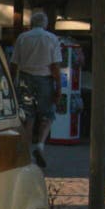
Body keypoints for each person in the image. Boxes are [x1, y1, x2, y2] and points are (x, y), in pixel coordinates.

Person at [10, 11, 62, 168]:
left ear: (31, 23)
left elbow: (14, 63)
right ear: (45, 24)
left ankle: (26, 154)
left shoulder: (22, 38)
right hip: (45, 79)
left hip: (25, 78)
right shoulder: (52, 39)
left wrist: (12, 83)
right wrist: (58, 87)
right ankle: (40, 145)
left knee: (28, 117)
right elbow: (54, 66)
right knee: (48, 115)